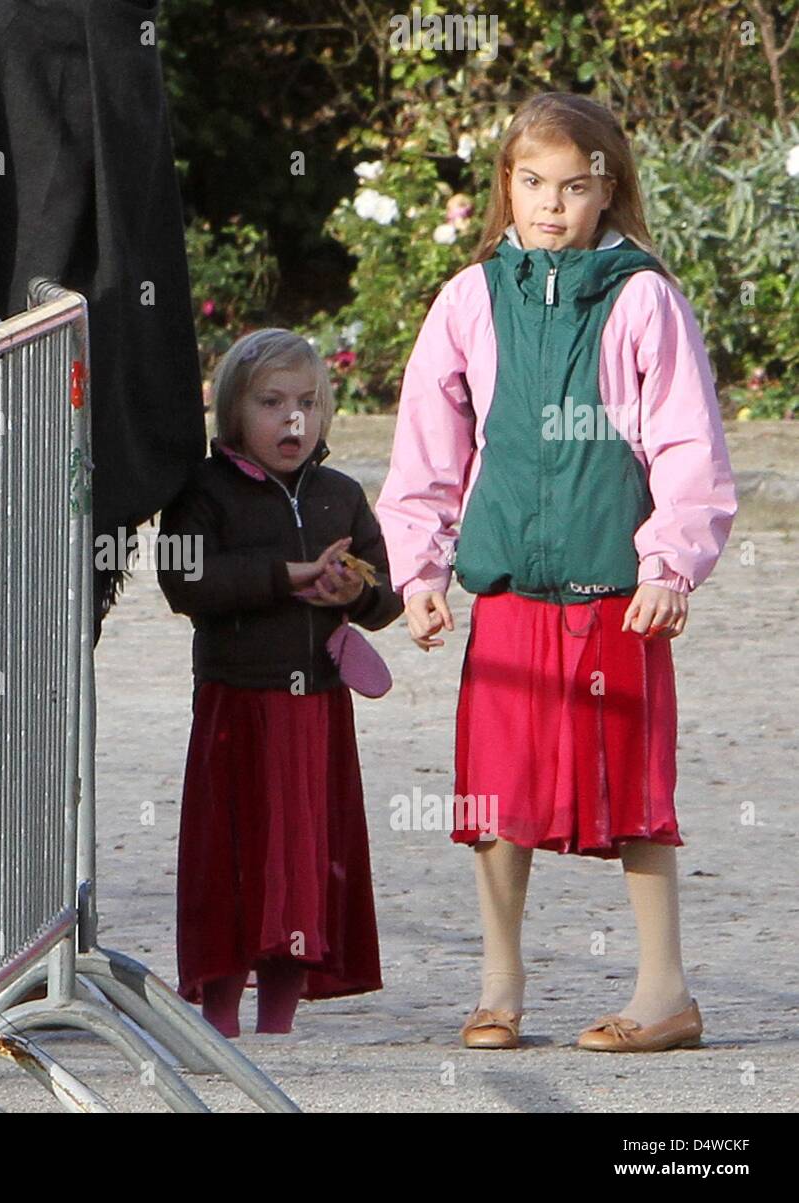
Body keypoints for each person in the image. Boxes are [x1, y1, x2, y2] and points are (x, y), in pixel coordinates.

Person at [375, 93, 737, 1053]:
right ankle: (500, 986)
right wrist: (419, 569)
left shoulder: (642, 296)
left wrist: (671, 562)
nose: (551, 203)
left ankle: (665, 993)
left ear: (607, 189)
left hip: (618, 597)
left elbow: (689, 443)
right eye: (532, 183)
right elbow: (426, 446)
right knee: (495, 793)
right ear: (506, 186)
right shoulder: (469, 298)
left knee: (633, 787)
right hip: (507, 596)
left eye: (575, 186)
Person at [0, 0, 206, 642]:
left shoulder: (111, 29)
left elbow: (130, 228)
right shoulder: (6, 21)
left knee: (37, 678)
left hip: (58, 397)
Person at [157, 328, 404, 1036]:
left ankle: (280, 1026)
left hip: (317, 713)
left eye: (307, 403)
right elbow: (185, 578)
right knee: (235, 864)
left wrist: (349, 590)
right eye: (271, 402)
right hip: (238, 708)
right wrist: (283, 575)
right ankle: (222, 1017)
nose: (291, 420)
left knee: (301, 867)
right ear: (234, 411)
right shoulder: (202, 491)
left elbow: (385, 593)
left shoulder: (340, 496)